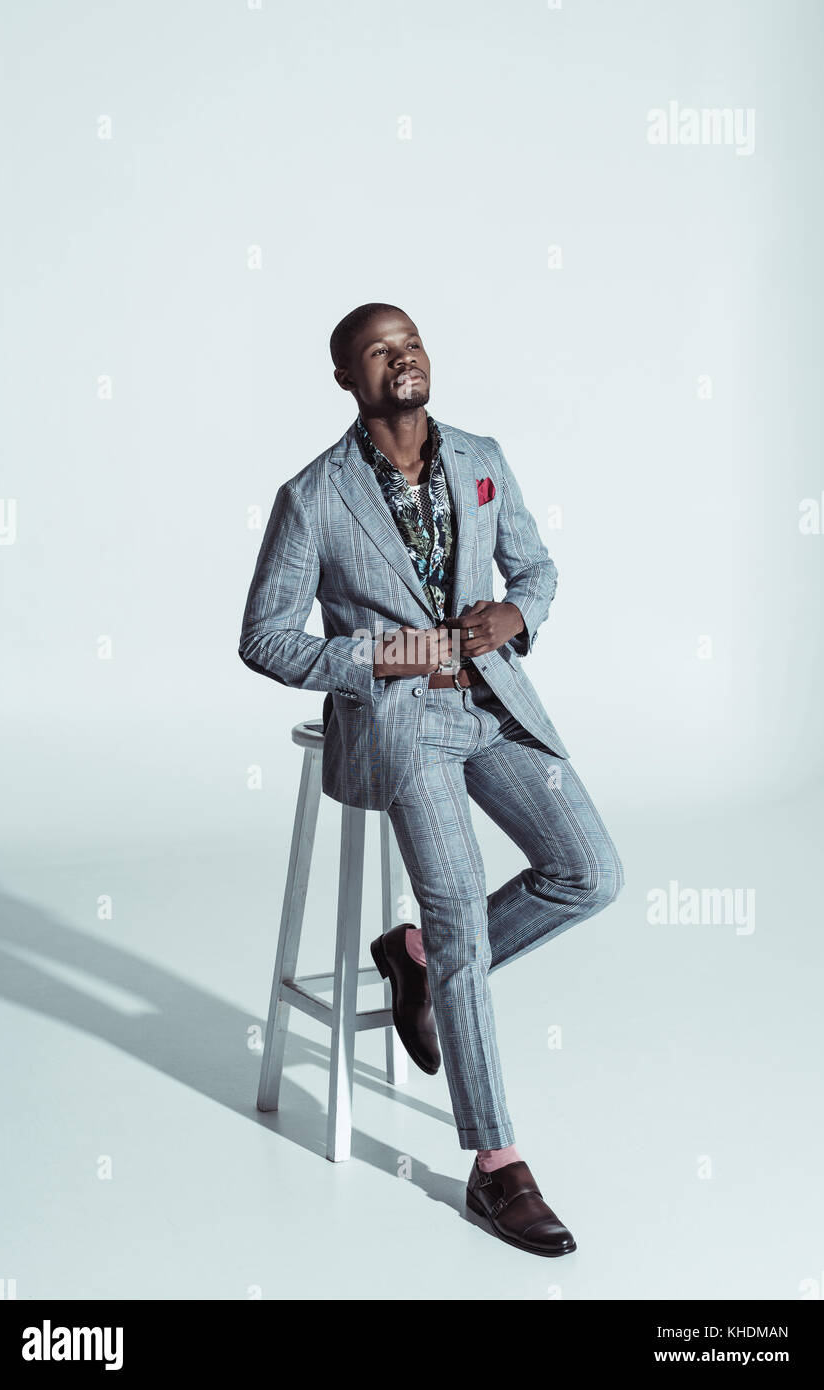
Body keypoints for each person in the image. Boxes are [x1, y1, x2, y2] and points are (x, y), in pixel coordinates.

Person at [238, 302, 624, 1257]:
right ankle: (496, 1169)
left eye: (407, 341)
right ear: (346, 380)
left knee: (591, 872)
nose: (398, 356)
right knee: (459, 914)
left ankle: (418, 959)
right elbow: (265, 638)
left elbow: (535, 569)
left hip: (492, 704)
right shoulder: (312, 497)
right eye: (376, 350)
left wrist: (514, 618)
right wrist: (387, 655)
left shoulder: (481, 456)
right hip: (401, 724)